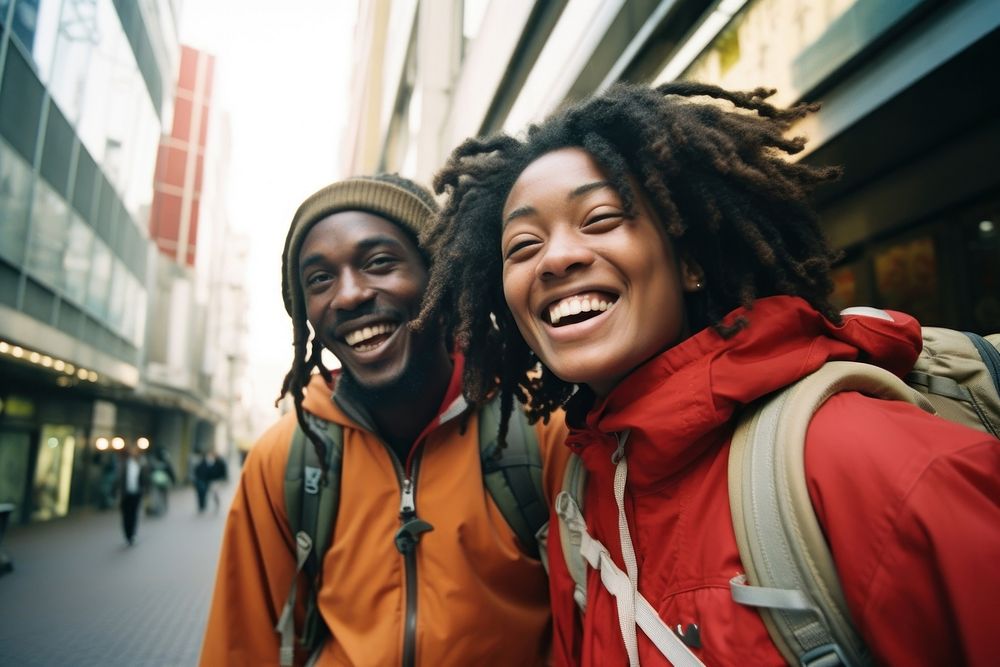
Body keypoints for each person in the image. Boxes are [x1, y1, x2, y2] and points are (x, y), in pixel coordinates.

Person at [416, 81, 1000, 665]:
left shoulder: (862, 454)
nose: (556, 257)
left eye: (599, 218)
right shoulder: (579, 491)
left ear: (690, 262)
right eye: (522, 246)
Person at [200, 174, 571, 665]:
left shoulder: (540, 431)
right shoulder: (287, 459)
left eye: (379, 263)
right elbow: (240, 647)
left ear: (440, 275)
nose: (349, 295)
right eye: (319, 279)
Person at [118, 445, 149, 546]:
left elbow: (145, 479)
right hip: (126, 494)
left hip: (136, 493)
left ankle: (132, 534)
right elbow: (119, 478)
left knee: (134, 514)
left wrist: (145, 490)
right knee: (126, 514)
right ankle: (127, 533)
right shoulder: (123, 464)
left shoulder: (141, 464)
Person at [147, 449, 176, 516]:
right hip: (164, 483)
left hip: (155, 483)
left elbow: (150, 473)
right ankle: (162, 508)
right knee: (163, 496)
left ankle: (158, 509)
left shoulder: (154, 463)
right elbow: (171, 473)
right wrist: (173, 481)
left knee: (157, 496)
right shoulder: (166, 463)